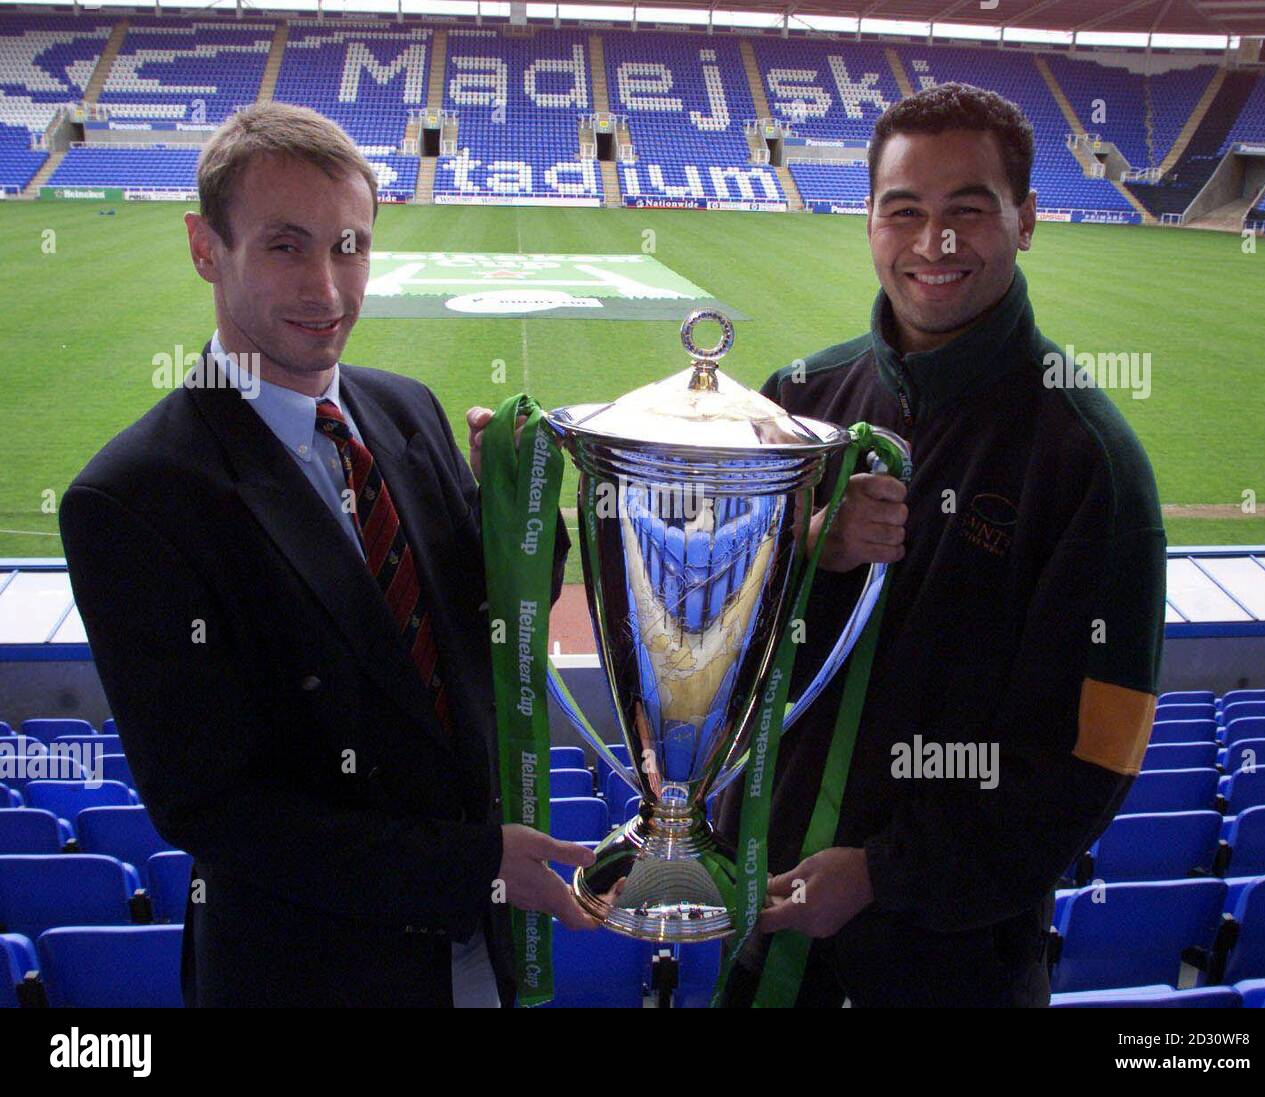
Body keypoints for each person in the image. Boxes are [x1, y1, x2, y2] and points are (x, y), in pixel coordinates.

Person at [59, 102, 594, 1008]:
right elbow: (217, 806)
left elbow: (487, 634)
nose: (328, 288)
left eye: (350, 246)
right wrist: (472, 864)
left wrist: (522, 525)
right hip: (313, 973)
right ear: (204, 248)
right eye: (286, 246)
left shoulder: (407, 410)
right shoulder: (134, 497)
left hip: (481, 955)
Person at [719, 83, 1166, 1007]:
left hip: (952, 967)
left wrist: (886, 873)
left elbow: (1096, 760)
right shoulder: (793, 402)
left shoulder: (1091, 462)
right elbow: (715, 639)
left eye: (970, 210)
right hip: (766, 940)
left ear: (1027, 220)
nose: (935, 243)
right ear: (869, 220)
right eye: (905, 211)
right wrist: (803, 555)